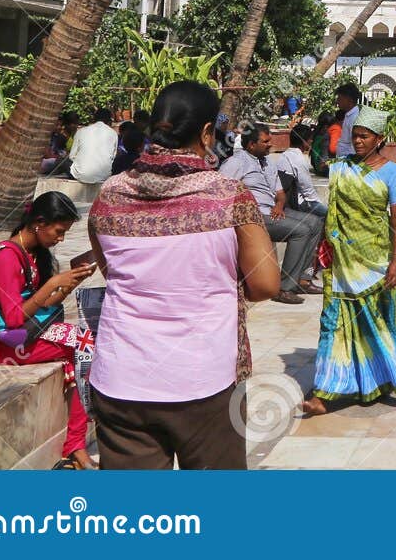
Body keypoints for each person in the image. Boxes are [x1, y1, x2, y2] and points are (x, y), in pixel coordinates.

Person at [86, 80, 280, 470]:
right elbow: (264, 284)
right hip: (204, 380)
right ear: (207, 133)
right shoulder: (230, 197)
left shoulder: (108, 195)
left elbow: (113, 272)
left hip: (121, 380)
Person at [0, 192, 97, 469]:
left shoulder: (32, 253)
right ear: (38, 223)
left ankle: (76, 441)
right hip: (1, 344)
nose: (60, 239)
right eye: (59, 232)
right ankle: (75, 442)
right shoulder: (6, 257)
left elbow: (41, 307)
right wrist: (53, 284)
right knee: (85, 346)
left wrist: (68, 284)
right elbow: (13, 318)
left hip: (25, 332)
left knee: (85, 344)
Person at [302, 106, 396, 415]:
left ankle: (377, 376)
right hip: (341, 258)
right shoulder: (341, 168)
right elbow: (331, 213)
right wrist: (321, 247)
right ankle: (325, 391)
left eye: (364, 137)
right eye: (355, 136)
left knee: (372, 321)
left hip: (374, 258)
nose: (358, 141)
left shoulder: (392, 172)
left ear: (380, 139)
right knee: (332, 322)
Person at [220, 124, 321, 303]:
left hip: (273, 211)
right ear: (251, 144)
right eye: (265, 141)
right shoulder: (236, 163)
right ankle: (283, 288)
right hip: (254, 217)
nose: (270, 145)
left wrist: (280, 205)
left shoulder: (268, 162)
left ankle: (303, 279)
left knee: (315, 222)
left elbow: (280, 193)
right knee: (300, 230)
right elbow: (221, 192)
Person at [68, 108, 119, 185]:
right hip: (104, 176)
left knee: (62, 162)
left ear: (94, 119)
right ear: (109, 120)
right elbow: (113, 157)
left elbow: (71, 156)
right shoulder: (113, 133)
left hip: (80, 175)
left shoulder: (81, 131)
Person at [41, 111, 79, 177]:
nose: (59, 127)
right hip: (46, 162)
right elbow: (47, 155)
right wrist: (60, 158)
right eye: (57, 125)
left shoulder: (57, 135)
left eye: (60, 125)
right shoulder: (47, 137)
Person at [333, 82, 363, 159]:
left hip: (349, 161)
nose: (337, 101)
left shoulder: (355, 118)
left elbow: (355, 145)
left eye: (339, 98)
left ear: (348, 99)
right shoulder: (348, 115)